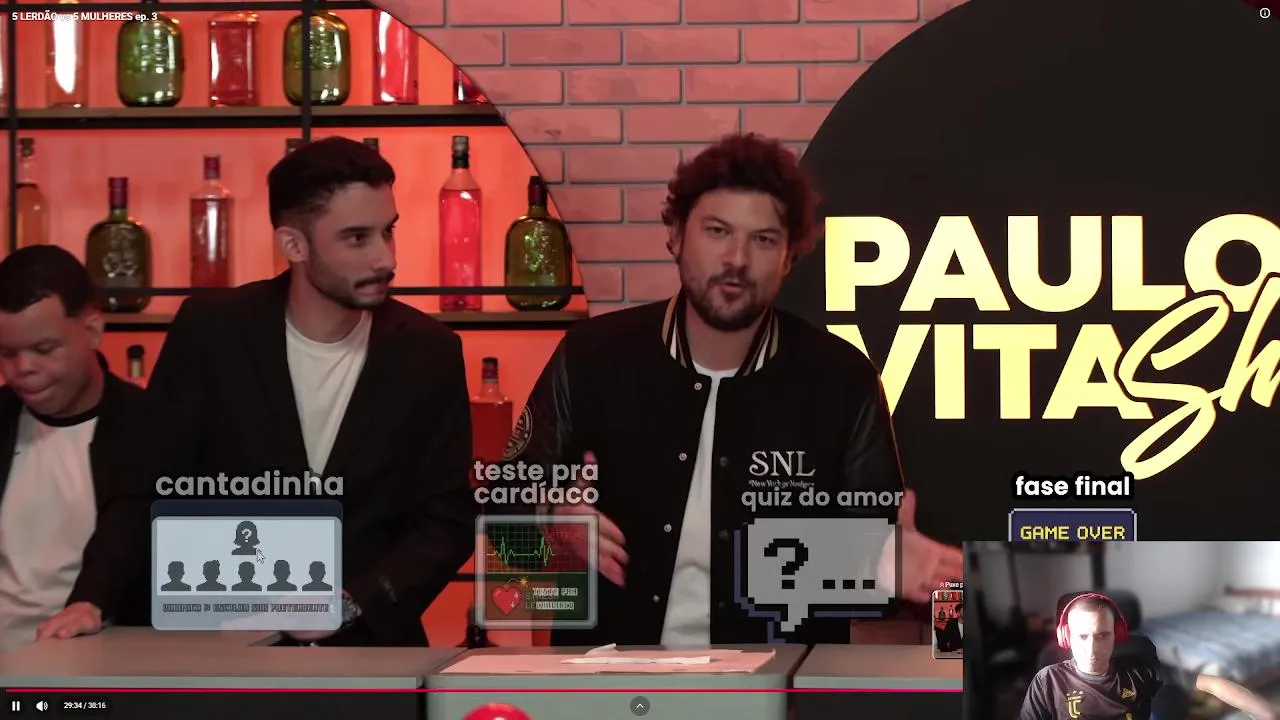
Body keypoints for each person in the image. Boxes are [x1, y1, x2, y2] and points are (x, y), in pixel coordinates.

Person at [499, 133, 963, 646]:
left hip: (777, 681)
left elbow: (873, 577)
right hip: (609, 678)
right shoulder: (591, 357)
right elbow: (502, 526)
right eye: (717, 231)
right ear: (676, 235)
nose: (737, 258)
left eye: (763, 239)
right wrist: (550, 525)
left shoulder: (842, 379)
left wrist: (881, 567)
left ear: (789, 256)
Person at [142, 136, 476, 646]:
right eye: (357, 238)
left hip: (372, 655)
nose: (385, 258)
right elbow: (153, 485)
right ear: (294, 245)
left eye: (388, 231)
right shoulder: (211, 331)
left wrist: (350, 603)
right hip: (226, 651)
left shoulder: (431, 351)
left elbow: (447, 520)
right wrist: (98, 599)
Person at [0, 246, 150, 649]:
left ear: (93, 331)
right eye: (7, 353)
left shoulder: (150, 427)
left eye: (44, 349)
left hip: (99, 669)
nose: (23, 368)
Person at [1020, 593, 1278, 720]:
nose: (1092, 648)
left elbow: (1211, 682)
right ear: (1066, 637)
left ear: (1117, 635)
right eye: (1082, 636)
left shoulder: (1138, 671)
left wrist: (1267, 712)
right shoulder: (1048, 681)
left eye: (1102, 635)